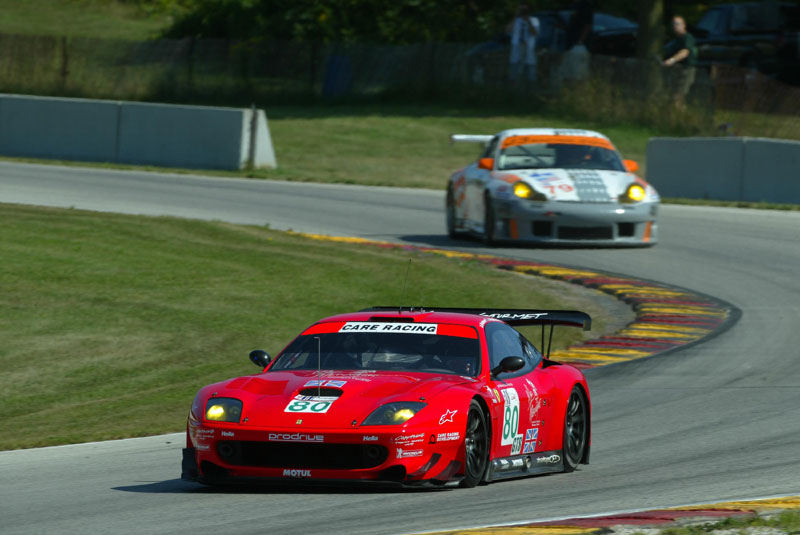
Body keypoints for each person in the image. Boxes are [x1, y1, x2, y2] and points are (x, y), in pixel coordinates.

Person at [663, 15, 698, 109]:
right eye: (673, 24)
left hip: (686, 71)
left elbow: (685, 52)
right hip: (676, 71)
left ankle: (679, 118)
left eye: (677, 24)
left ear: (684, 25)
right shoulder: (676, 40)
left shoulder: (687, 37)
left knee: (679, 96)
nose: (675, 26)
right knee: (673, 95)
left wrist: (672, 60)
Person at [509, 3, 540, 82]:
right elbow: (507, 30)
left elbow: (535, 33)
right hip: (515, 55)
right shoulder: (516, 21)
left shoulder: (534, 20)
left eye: (525, 10)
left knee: (530, 79)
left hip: (529, 55)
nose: (523, 12)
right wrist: (516, 15)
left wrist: (528, 21)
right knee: (514, 79)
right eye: (522, 10)